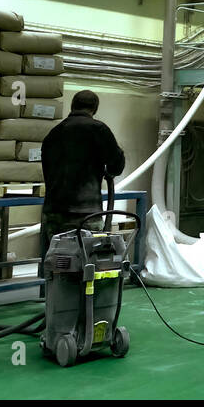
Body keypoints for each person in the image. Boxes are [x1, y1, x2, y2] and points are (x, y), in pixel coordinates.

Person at [39, 90, 126, 273]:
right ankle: (86, 301)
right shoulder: (98, 130)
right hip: (86, 213)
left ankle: (56, 300)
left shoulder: (53, 134)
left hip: (54, 212)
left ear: (72, 106)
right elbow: (116, 164)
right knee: (89, 264)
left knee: (57, 265)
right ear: (95, 108)